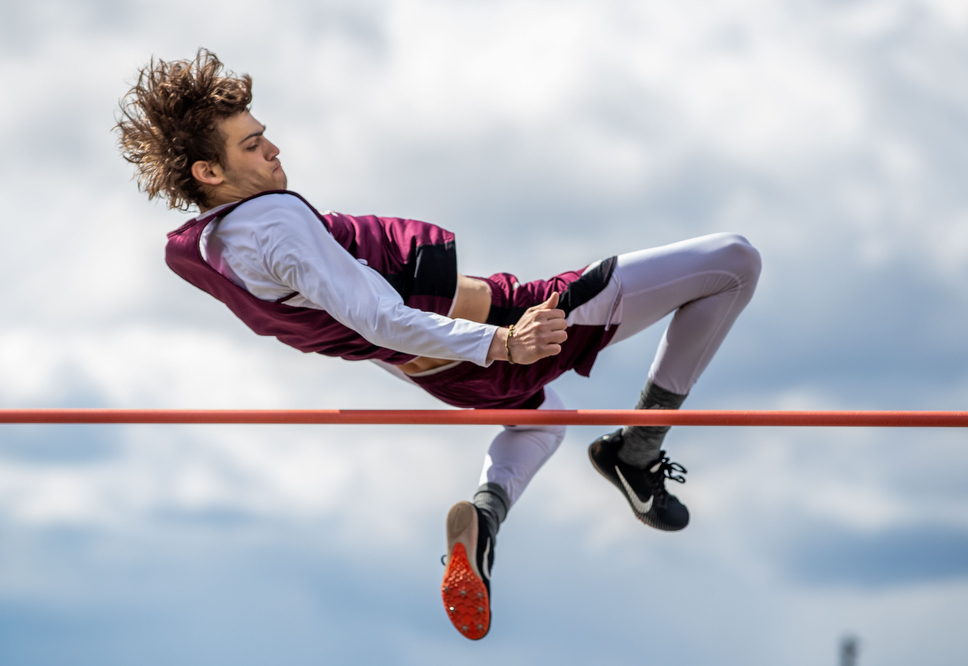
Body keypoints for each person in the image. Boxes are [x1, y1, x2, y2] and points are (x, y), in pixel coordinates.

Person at [116, 49, 761, 641]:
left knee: (544, 419)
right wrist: (505, 341)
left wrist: (480, 352)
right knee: (735, 261)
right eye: (253, 144)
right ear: (209, 170)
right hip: (516, 324)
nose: (274, 149)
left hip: (443, 372)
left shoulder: (211, 245)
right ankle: (637, 452)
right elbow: (380, 319)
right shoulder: (273, 222)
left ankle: (486, 517)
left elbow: (354, 328)